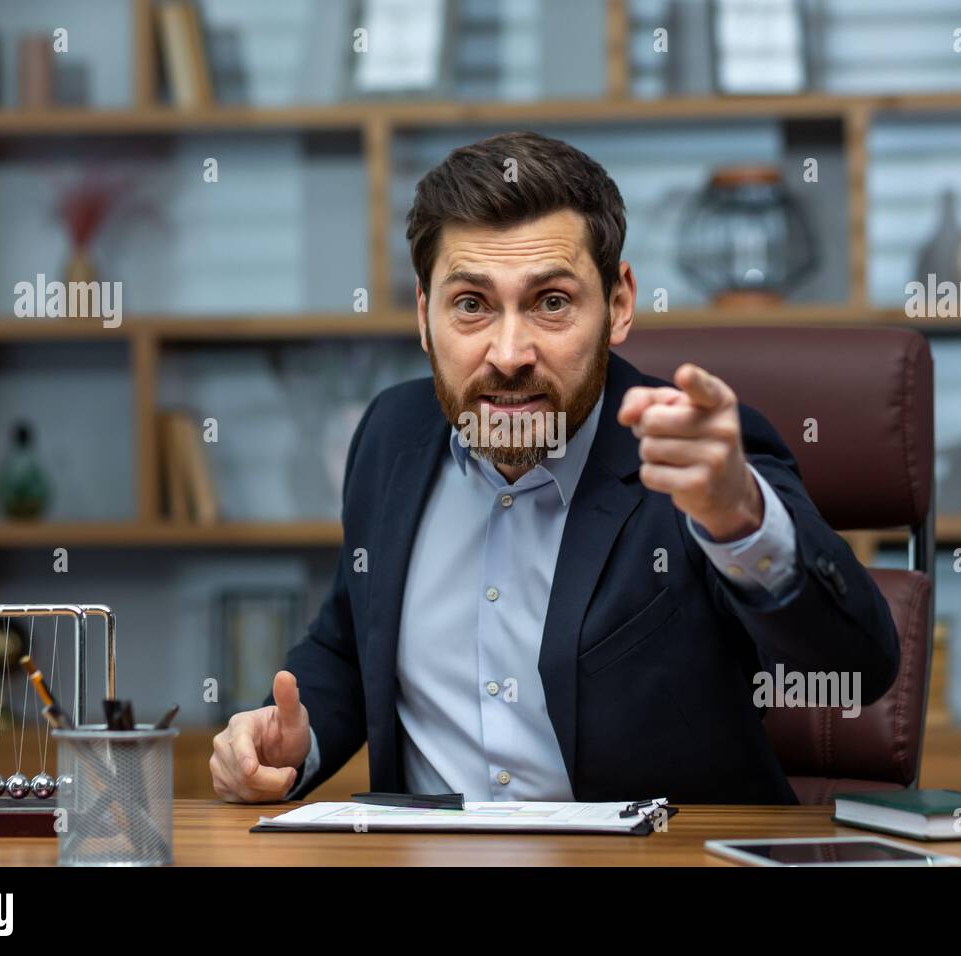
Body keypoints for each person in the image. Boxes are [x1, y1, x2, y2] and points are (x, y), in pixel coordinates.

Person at [210, 131, 899, 805]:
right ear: (424, 317)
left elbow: (855, 670)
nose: (510, 353)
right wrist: (290, 744)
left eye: (551, 302)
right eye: (472, 305)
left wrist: (742, 521)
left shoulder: (696, 460)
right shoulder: (391, 437)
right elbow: (348, 649)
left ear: (619, 304)